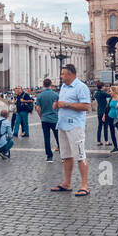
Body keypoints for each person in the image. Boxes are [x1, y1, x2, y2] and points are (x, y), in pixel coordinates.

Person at [50, 64, 91, 196]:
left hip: (75, 126)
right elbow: (63, 103)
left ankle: (84, 185)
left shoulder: (81, 87)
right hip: (62, 125)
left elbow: (86, 106)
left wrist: (67, 104)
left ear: (70, 74)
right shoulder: (63, 87)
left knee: (80, 155)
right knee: (66, 156)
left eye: (63, 74)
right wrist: (57, 105)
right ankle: (66, 183)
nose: (61, 76)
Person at [35, 78, 60, 162]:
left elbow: (38, 108)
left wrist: (41, 116)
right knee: (58, 137)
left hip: (44, 119)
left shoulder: (40, 95)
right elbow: (59, 107)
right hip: (55, 119)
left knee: (46, 138)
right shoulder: (56, 95)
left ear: (43, 85)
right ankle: (63, 155)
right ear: (51, 84)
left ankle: (49, 156)